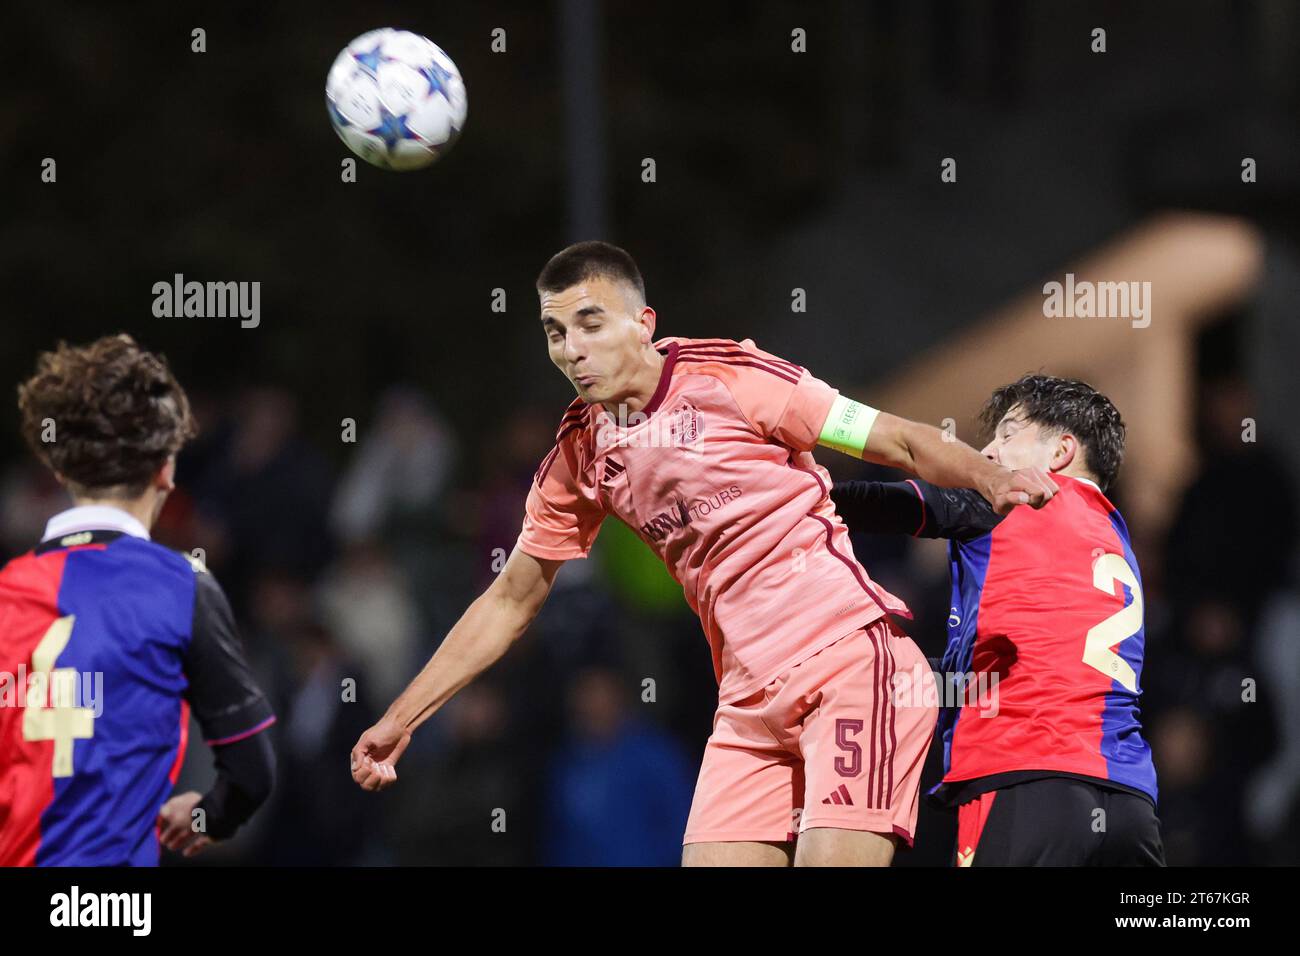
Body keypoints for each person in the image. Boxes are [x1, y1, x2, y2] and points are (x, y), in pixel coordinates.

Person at [351, 242, 1055, 867]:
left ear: (643, 324)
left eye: (590, 323)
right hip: (748, 705)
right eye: (554, 332)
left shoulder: (732, 377)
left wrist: (987, 475)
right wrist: (399, 719)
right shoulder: (579, 456)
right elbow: (509, 600)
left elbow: (893, 439)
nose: (571, 348)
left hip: (849, 664)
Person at [832, 374, 1164, 865]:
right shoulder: (1116, 537)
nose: (986, 453)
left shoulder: (1008, 500)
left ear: (1060, 453)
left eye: (1007, 435)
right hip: (1131, 802)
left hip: (1026, 780)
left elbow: (872, 505)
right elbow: (1033, 658)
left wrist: (780, 492)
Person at [0, 334, 276, 865]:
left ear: (59, 469)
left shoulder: (8, 590)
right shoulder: (183, 585)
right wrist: (209, 815)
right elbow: (252, 770)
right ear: (167, 470)